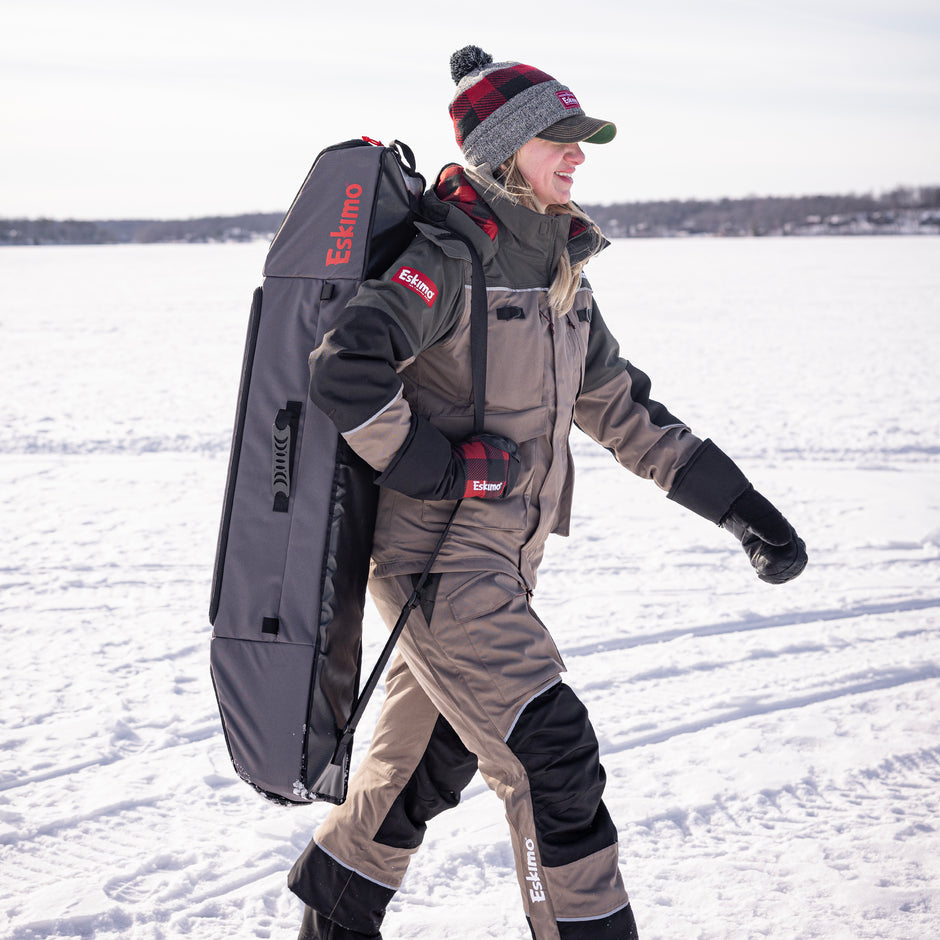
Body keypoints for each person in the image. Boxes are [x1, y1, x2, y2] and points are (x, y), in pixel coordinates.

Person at [288, 45, 807, 940]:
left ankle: (331, 921)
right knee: (552, 759)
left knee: (420, 768)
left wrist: (742, 509)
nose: (576, 155)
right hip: (438, 571)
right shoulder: (444, 261)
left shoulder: (560, 272)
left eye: (580, 140)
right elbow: (346, 372)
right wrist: (441, 470)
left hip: (497, 564)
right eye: (557, 140)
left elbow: (622, 409)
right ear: (502, 154)